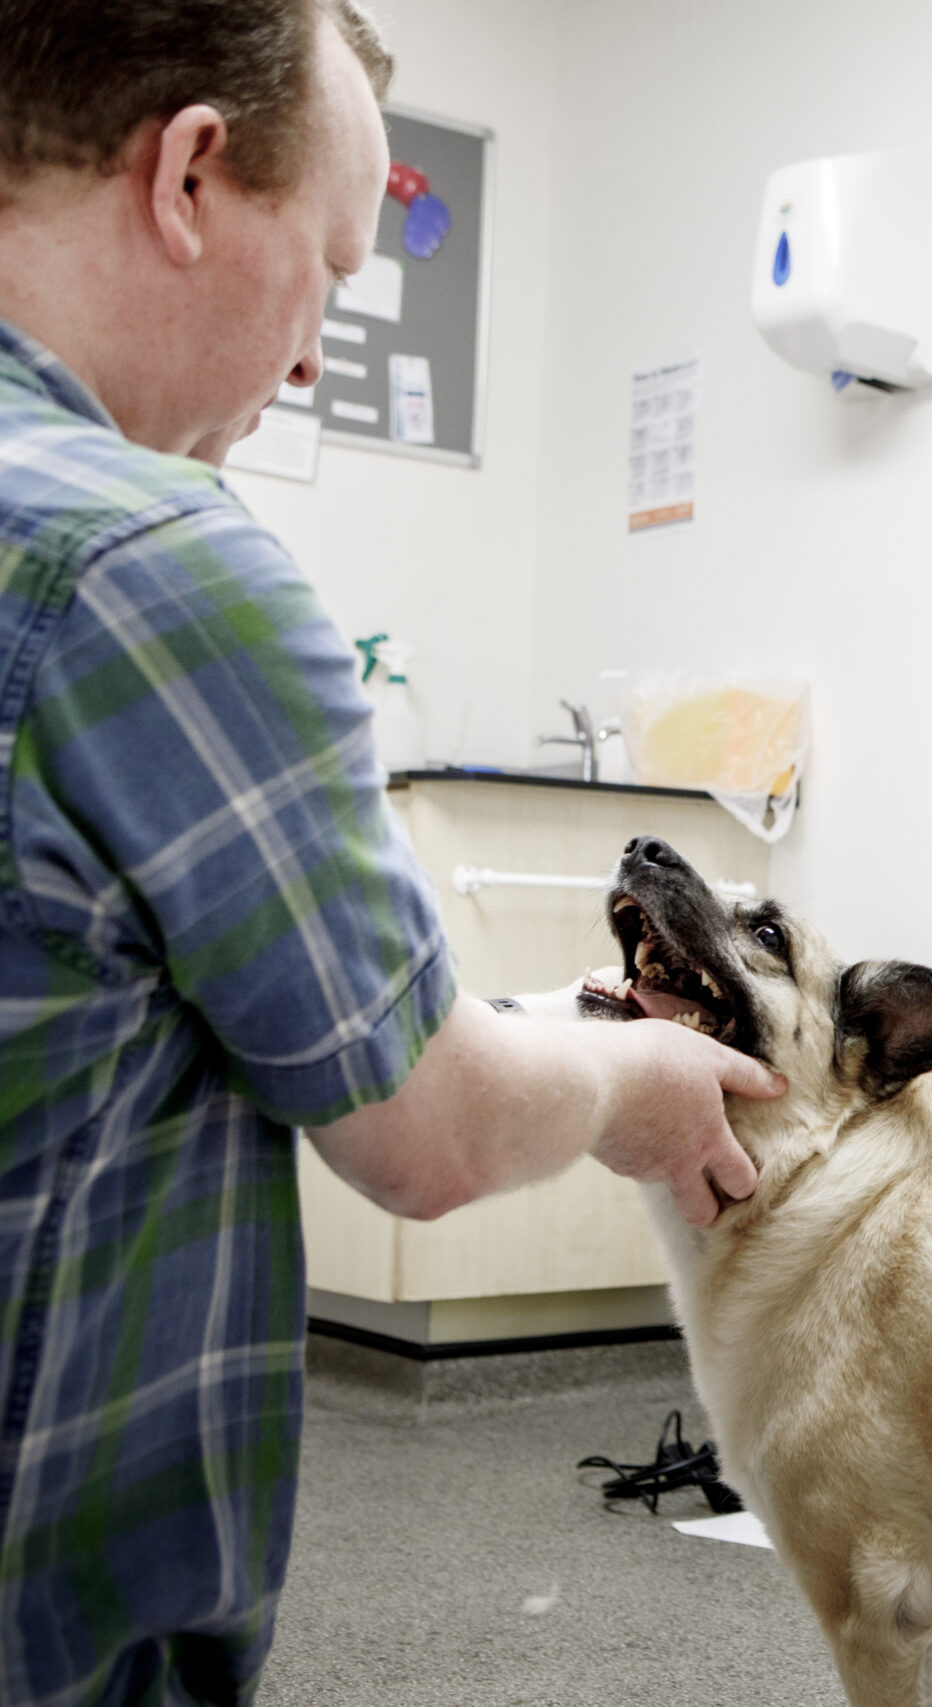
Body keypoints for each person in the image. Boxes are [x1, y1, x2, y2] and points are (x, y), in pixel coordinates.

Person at [0, 3, 781, 1699]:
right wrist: (633, 1077)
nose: (304, 366)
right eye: (333, 276)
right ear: (192, 174)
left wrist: (546, 1033)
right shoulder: (151, 562)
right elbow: (430, 1133)